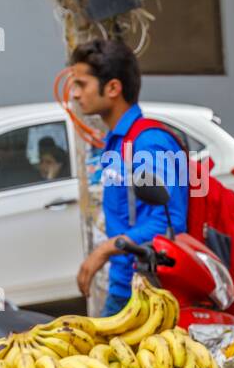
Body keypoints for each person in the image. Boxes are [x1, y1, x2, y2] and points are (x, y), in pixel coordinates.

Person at [67, 39, 188, 315]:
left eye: (82, 84)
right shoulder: (117, 142)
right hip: (123, 286)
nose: (75, 94)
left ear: (112, 88)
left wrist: (105, 250)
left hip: (148, 292)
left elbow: (169, 224)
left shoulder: (148, 144)